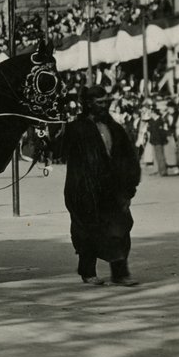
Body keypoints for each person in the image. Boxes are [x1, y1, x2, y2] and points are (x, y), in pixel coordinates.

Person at [60, 86, 142, 286]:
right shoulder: (76, 128)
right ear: (88, 104)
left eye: (106, 101)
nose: (105, 105)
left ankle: (120, 274)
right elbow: (59, 150)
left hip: (113, 191)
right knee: (87, 233)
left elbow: (128, 157)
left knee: (120, 230)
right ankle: (88, 272)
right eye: (100, 102)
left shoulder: (115, 127)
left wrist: (129, 187)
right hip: (85, 191)